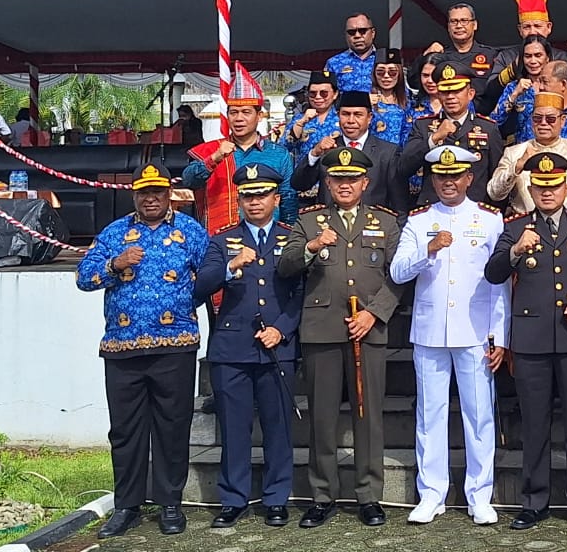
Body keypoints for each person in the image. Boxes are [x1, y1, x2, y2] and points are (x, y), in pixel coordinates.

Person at [76, 163, 209, 539]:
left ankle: (170, 503)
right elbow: (83, 277)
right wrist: (114, 265)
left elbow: (211, 275)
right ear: (134, 194)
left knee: (172, 426)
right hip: (122, 348)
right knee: (125, 431)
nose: (150, 198)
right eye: (143, 192)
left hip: (175, 346)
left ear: (169, 193)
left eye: (157, 191)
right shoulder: (116, 232)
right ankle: (127, 506)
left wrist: (187, 305)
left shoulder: (190, 232)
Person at [278, 148, 405, 529]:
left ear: (365, 184)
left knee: (369, 416)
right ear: (327, 183)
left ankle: (369, 495)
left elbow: (399, 276)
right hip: (322, 331)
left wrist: (374, 313)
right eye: (337, 179)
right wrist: (313, 248)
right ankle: (322, 495)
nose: (344, 185)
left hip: (368, 329)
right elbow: (285, 266)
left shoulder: (386, 222)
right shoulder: (309, 221)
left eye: (352, 179)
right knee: (322, 417)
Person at [485, 155, 567, 532]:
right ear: (531, 190)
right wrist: (517, 250)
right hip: (532, 340)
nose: (548, 192)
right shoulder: (516, 227)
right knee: (535, 424)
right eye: (540, 187)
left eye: (554, 186)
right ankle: (533, 501)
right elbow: (493, 274)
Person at [391, 146, 508, 525]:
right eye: (441, 177)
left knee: (479, 416)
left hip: (475, 331)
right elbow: (397, 273)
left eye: (455, 176)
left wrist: (500, 336)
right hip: (429, 331)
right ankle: (431, 493)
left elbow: (500, 284)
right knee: (430, 416)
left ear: (469, 178)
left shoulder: (489, 220)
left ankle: (480, 495)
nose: (448, 182)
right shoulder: (419, 220)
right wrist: (428, 249)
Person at [193, 164, 303, 530]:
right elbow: (199, 287)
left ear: (276, 198)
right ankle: (233, 499)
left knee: (278, 428)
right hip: (232, 348)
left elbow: (304, 294)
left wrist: (282, 330)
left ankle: (275, 499)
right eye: (248, 196)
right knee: (234, 429)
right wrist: (229, 267)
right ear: (239, 200)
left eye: (261, 195)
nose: (254, 202)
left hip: (276, 348)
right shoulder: (222, 241)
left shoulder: (291, 238)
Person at [182, 63, 296, 233]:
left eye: (246, 112)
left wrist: (289, 236)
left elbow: (288, 200)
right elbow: (188, 181)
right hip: (219, 240)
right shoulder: (213, 151)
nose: (239, 118)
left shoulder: (278, 154)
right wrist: (214, 159)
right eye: (233, 112)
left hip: (267, 240)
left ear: (259, 116)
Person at [401, 60, 504, 208]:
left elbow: (496, 181)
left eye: (456, 91)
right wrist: (434, 138)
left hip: (475, 212)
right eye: (445, 91)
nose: (450, 97)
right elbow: (404, 167)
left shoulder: (488, 128)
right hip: (433, 209)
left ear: (470, 94)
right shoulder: (423, 125)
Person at [290, 90, 406, 215]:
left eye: (358, 115)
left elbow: (399, 203)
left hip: (372, 227)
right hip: (329, 227)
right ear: (338, 115)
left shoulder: (387, 152)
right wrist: (314, 154)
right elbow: (299, 184)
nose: (351, 120)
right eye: (345, 114)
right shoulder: (325, 148)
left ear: (369, 118)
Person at [488, 92, 567, 214]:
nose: (543, 123)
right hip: (525, 226)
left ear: (562, 120)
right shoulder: (514, 152)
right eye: (537, 118)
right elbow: (494, 193)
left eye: (550, 119)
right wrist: (517, 166)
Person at [424, 3, 497, 108]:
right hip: (448, 118)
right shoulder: (440, 55)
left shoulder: (490, 55)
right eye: (454, 21)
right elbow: (414, 82)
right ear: (448, 27)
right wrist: (425, 55)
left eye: (464, 21)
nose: (459, 26)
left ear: (475, 25)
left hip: (482, 119)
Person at [493, 34, 554, 140]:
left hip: (555, 149)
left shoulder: (557, 85)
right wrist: (514, 95)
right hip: (524, 150)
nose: (533, 61)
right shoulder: (514, 87)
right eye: (528, 56)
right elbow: (494, 121)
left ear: (547, 58)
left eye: (538, 55)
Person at [285, 70, 341, 161]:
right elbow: (285, 146)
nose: (318, 97)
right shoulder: (298, 118)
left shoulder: (343, 118)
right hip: (305, 170)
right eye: (312, 93)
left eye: (324, 93)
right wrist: (301, 123)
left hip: (334, 171)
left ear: (335, 94)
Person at [326, 13, 379, 93]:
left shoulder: (386, 60)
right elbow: (326, 96)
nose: (357, 36)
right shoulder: (334, 63)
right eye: (351, 32)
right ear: (346, 35)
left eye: (362, 31)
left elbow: (401, 94)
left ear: (373, 33)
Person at [371, 48, 413, 148]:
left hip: (402, 154)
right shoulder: (367, 97)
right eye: (380, 72)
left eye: (392, 72)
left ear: (399, 74)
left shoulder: (409, 99)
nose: (386, 76)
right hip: (376, 154)